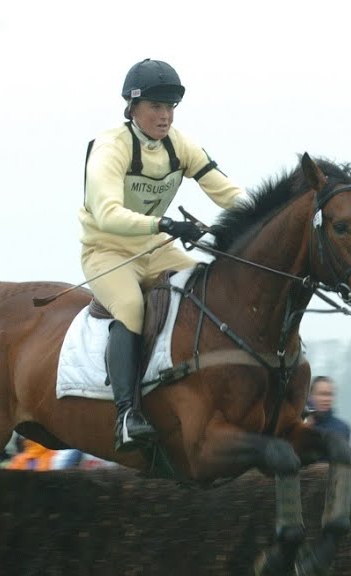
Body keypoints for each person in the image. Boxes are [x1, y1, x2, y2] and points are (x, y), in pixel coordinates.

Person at [80, 58, 250, 452]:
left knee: (208, 292)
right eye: (157, 106)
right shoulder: (110, 147)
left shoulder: (180, 144)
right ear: (132, 107)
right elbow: (106, 214)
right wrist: (164, 225)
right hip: (107, 251)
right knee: (130, 308)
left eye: (171, 106)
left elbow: (226, 192)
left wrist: (262, 219)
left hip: (155, 248)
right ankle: (126, 415)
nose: (165, 115)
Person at [304, 376, 351, 441]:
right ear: (310, 396)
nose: (326, 399)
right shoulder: (299, 424)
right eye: (321, 394)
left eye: (329, 394)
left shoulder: (341, 429)